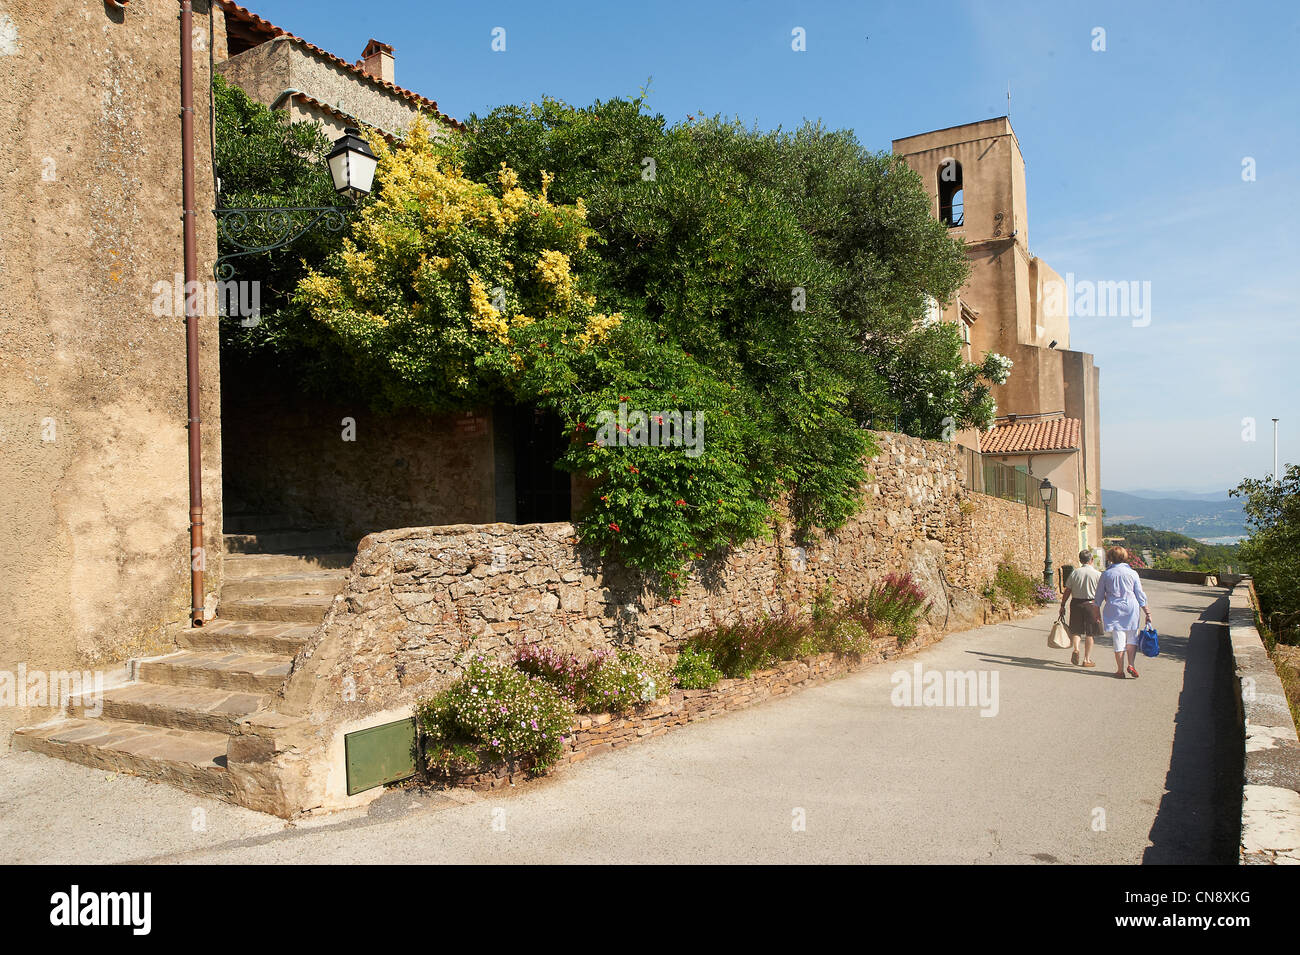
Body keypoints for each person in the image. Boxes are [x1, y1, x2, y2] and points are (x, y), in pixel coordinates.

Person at [1093, 546, 1153, 679]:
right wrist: (1147, 613)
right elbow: (1140, 595)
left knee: (1118, 639)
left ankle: (1120, 670)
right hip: (1131, 607)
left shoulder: (1106, 574)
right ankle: (1131, 664)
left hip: (1114, 608)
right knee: (1132, 637)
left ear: (1110, 558)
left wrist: (1096, 612)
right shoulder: (1132, 573)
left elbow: (1098, 596)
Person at [1059, 549, 1102, 667]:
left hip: (1076, 603)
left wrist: (1062, 605)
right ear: (1091, 560)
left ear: (1080, 560)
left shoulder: (1074, 573)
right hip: (1091, 604)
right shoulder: (1098, 574)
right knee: (1090, 633)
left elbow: (1067, 591)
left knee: (1076, 630)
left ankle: (1076, 649)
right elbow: (1103, 593)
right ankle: (1086, 659)